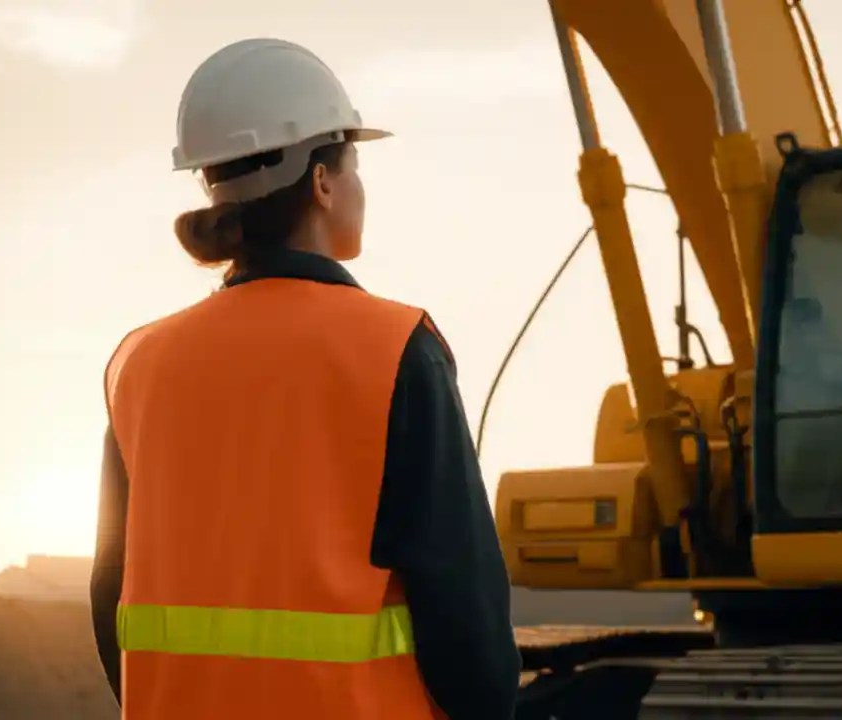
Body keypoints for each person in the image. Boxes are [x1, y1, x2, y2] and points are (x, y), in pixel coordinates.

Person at [88, 38, 521, 719]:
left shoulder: (139, 363)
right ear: (322, 181)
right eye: (353, 162)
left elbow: (111, 600)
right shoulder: (396, 349)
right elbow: (464, 614)